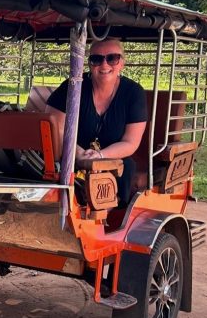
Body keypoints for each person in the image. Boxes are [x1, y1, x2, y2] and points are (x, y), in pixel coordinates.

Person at [45, 37, 148, 206]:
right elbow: (54, 129)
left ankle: (111, 214)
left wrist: (100, 156)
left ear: (122, 63)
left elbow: (131, 142)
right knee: (52, 164)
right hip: (73, 153)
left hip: (114, 155)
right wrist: (78, 154)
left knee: (126, 166)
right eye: (96, 59)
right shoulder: (73, 86)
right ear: (89, 64)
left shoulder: (133, 93)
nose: (104, 65)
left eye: (112, 58)